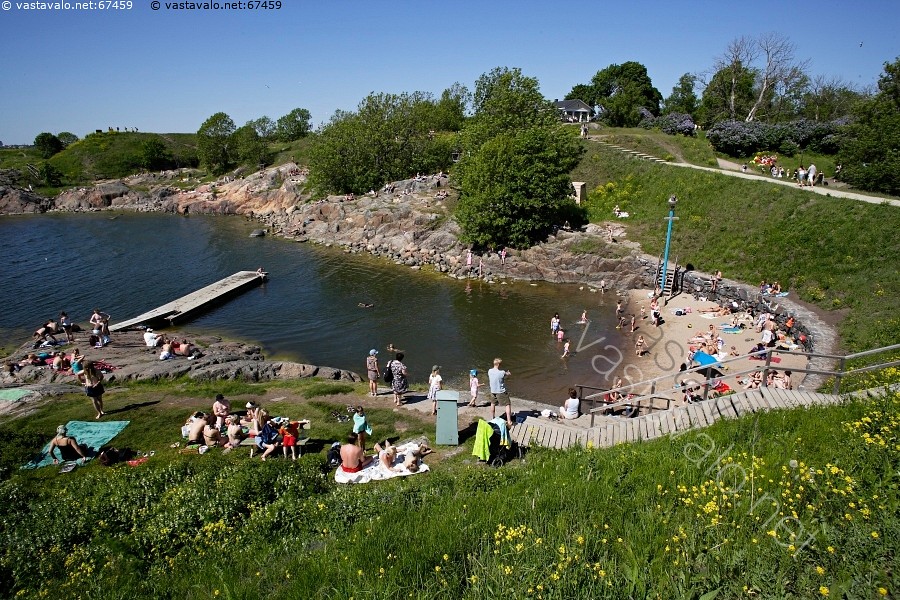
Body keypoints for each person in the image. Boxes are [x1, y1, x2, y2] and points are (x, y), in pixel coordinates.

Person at [488, 358, 513, 427]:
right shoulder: (501, 372)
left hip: (493, 391)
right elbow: (506, 374)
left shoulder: (489, 371)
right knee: (507, 404)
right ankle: (509, 421)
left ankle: (492, 418)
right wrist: (508, 373)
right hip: (501, 391)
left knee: (493, 403)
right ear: (498, 364)